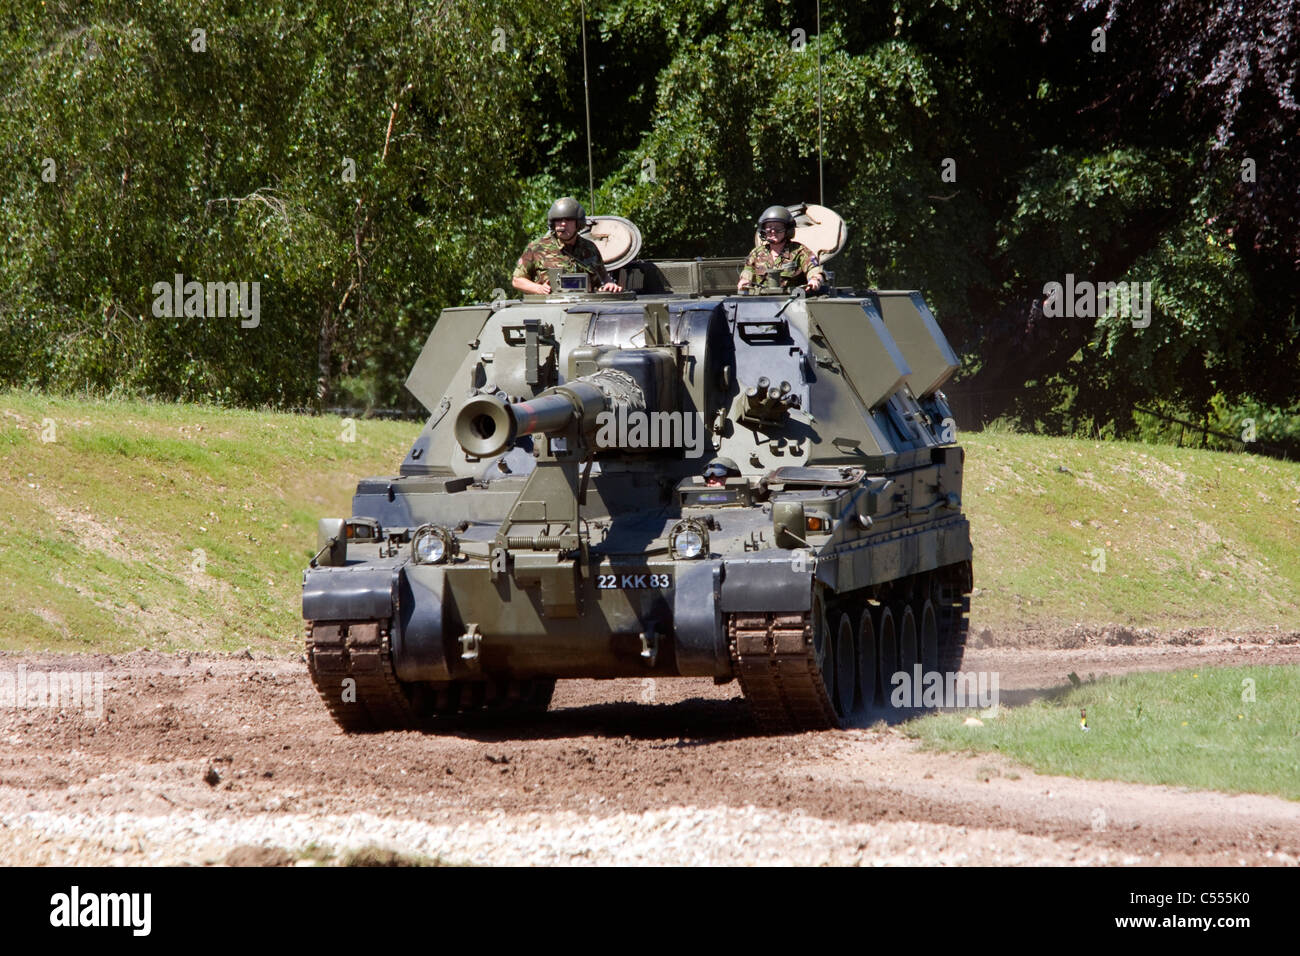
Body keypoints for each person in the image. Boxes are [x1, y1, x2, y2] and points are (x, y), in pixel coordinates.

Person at [512, 197, 623, 294]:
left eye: (568, 220)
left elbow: (604, 277)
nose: (563, 224)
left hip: (585, 308)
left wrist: (609, 284)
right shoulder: (537, 248)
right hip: (548, 308)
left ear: (578, 224)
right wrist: (538, 289)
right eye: (558, 220)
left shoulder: (590, 248)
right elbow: (517, 280)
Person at [736, 205, 826, 294]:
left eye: (778, 227)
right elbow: (748, 270)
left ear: (787, 230)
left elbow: (814, 270)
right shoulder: (757, 253)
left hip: (792, 302)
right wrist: (744, 280)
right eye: (769, 227)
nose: (773, 231)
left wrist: (815, 279)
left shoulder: (800, 251)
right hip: (762, 301)